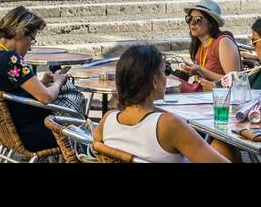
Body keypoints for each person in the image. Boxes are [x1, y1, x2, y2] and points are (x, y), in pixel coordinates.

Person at [95, 43, 228, 163]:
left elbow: (93, 145)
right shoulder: (168, 124)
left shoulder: (107, 120)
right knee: (225, 145)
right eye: (165, 71)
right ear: (154, 81)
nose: (167, 77)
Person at [0, 7, 65, 155]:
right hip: (36, 133)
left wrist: (41, 83)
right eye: (32, 39)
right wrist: (58, 83)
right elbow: (46, 97)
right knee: (77, 110)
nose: (30, 48)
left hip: (12, 132)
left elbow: (11, 89)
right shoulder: (12, 59)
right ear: (21, 33)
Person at [174, 0, 241, 90]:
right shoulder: (200, 45)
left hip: (222, 100)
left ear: (211, 23)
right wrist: (194, 71)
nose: (192, 23)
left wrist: (201, 70)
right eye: (189, 18)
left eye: (198, 19)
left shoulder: (224, 42)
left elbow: (235, 81)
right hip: (204, 96)